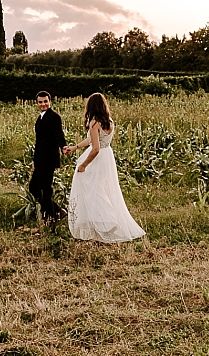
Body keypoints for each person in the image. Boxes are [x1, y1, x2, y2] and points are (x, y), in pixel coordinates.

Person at [66, 92, 146, 244]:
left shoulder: (94, 123)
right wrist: (75, 147)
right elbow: (92, 140)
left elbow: (95, 148)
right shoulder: (109, 121)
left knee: (93, 190)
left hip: (97, 157)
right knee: (102, 188)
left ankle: (108, 221)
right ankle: (99, 227)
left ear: (91, 107)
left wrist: (83, 164)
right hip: (107, 156)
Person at [28, 91, 67, 221]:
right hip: (40, 159)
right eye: (40, 102)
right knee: (34, 187)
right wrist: (35, 160)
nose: (43, 104)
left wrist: (63, 146)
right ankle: (57, 211)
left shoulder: (54, 117)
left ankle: (50, 217)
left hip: (48, 159)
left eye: (45, 101)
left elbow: (58, 134)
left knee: (46, 189)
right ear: (37, 103)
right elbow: (39, 142)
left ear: (50, 102)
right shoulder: (41, 117)